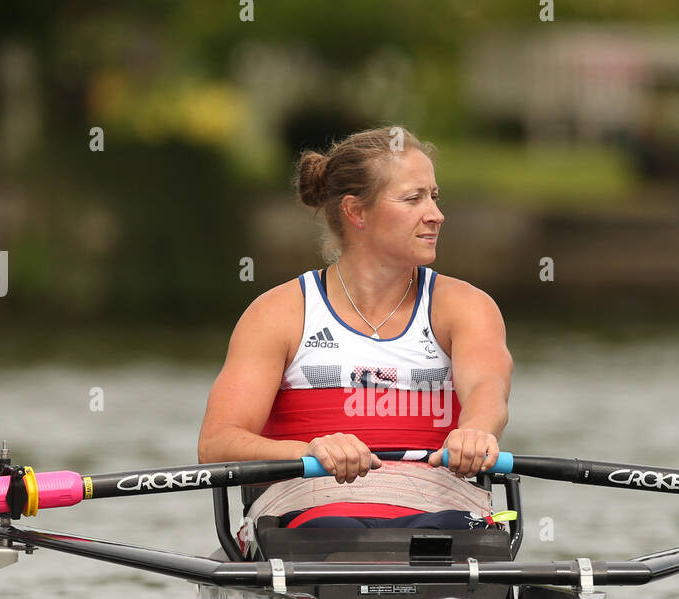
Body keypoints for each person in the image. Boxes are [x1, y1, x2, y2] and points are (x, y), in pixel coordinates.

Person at [197, 126, 512, 542]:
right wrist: (308, 451)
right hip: (312, 512)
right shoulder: (278, 314)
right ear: (356, 212)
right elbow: (218, 444)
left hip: (440, 509)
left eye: (434, 196)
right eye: (413, 198)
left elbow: (488, 388)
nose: (436, 214)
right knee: (334, 534)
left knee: (447, 533)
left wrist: (476, 431)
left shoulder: (466, 307)